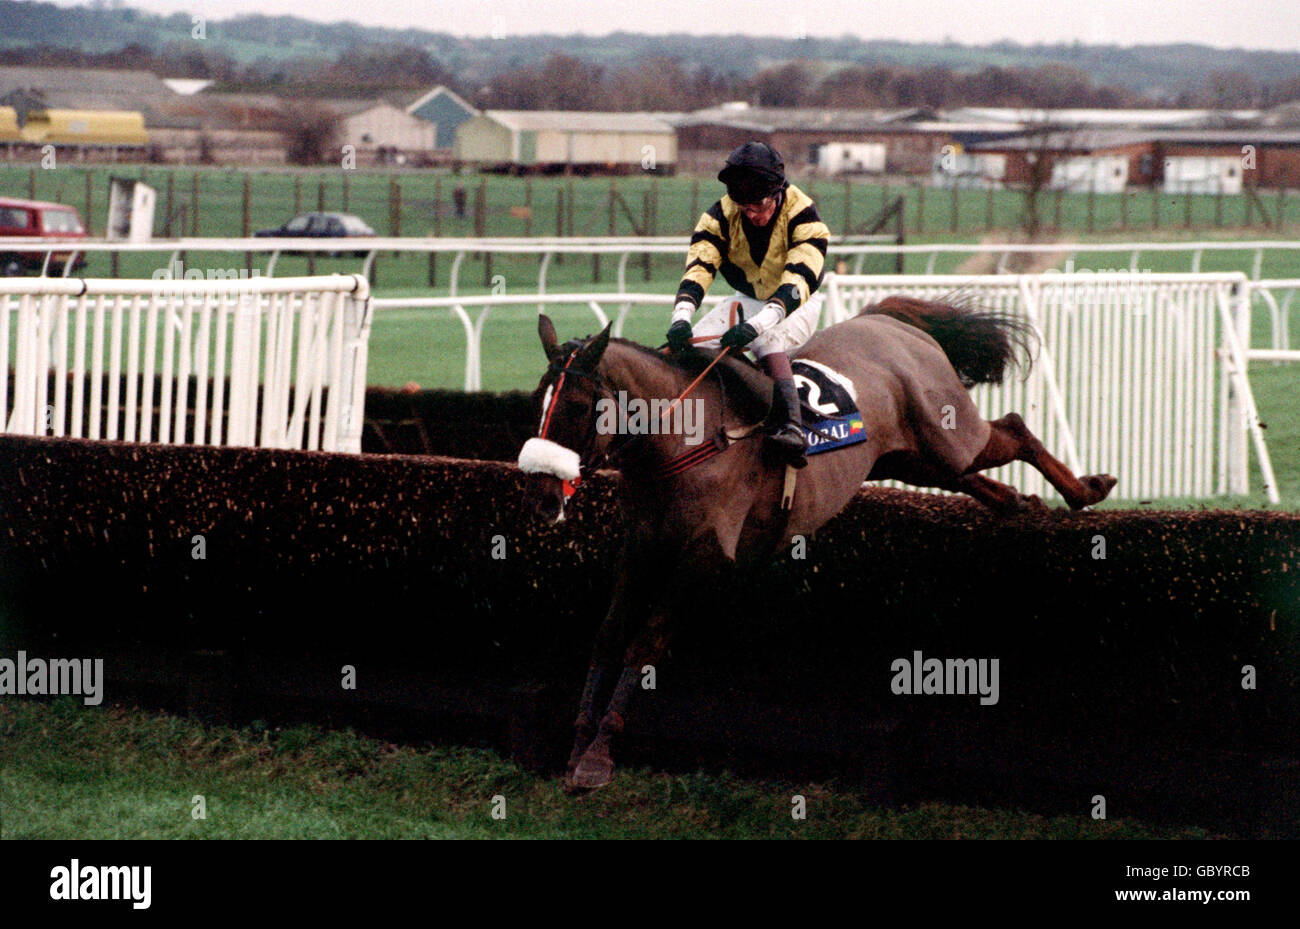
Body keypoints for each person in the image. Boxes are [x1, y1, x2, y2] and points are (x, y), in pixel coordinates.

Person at [666, 141, 830, 467]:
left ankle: (792, 427)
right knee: (692, 343)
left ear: (778, 192)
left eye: (759, 206)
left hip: (798, 302)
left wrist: (753, 327)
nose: (753, 215)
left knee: (765, 337)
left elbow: (797, 283)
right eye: (745, 208)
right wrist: (680, 318)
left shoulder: (805, 217)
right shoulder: (720, 216)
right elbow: (700, 268)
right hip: (749, 299)